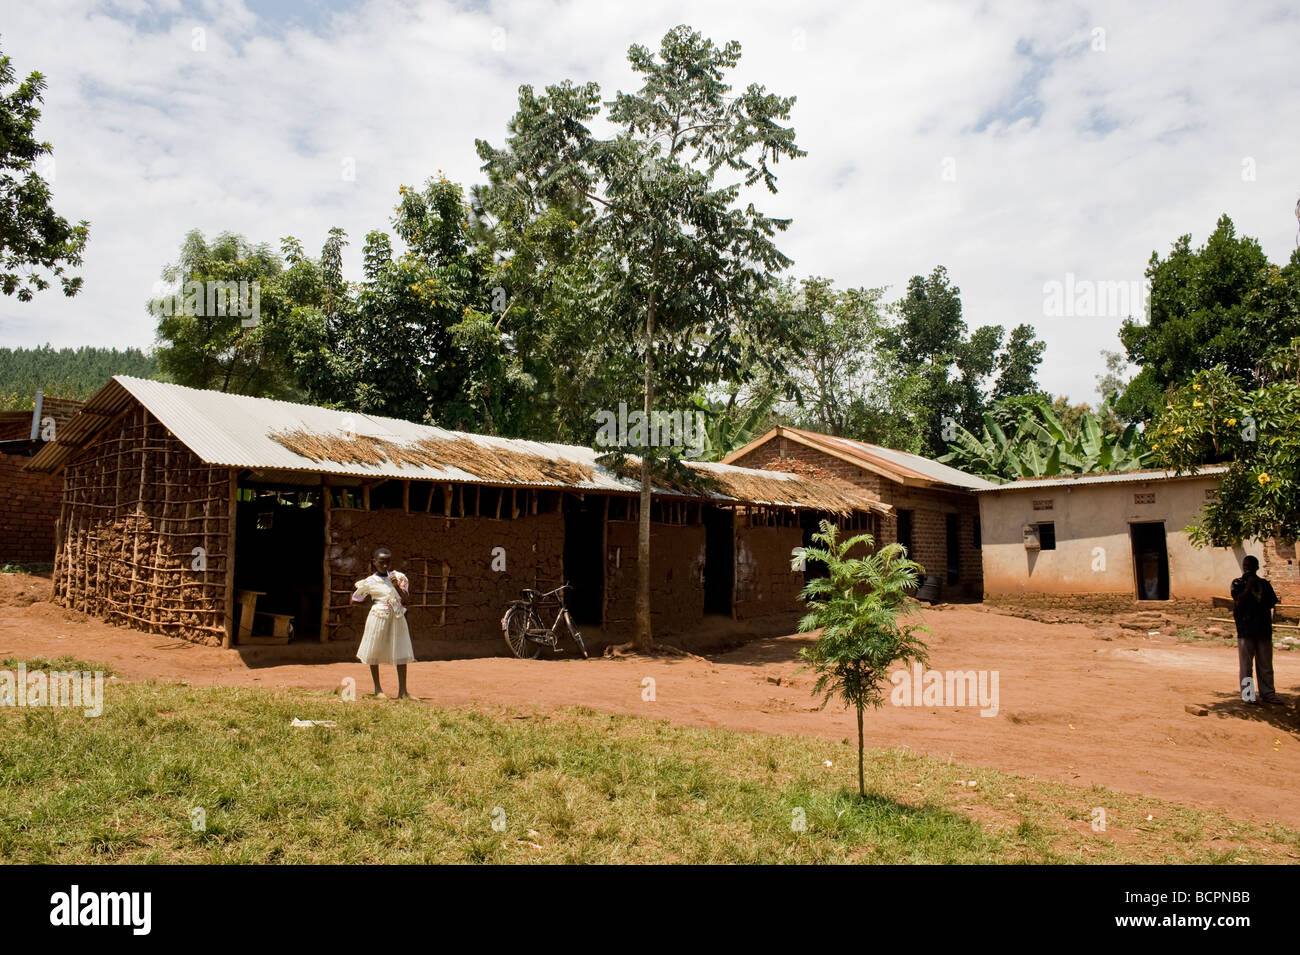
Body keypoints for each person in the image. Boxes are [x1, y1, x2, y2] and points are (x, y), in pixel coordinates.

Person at [351, 546, 415, 698]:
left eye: (388, 562)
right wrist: (375, 605)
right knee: (374, 649)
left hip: (397, 618)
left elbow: (406, 598)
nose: (385, 565)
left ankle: (403, 691)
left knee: (401, 649)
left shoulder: (399, 577)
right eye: (381, 562)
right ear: (374, 562)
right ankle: (378, 690)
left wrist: (396, 586)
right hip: (378, 617)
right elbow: (355, 600)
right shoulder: (369, 582)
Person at [1230, 555, 1282, 706]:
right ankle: (1248, 694)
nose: (1247, 568)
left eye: (1250, 565)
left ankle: (1268, 693)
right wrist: (1248, 587)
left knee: (1265, 665)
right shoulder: (1237, 583)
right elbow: (1238, 601)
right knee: (1246, 665)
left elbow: (1271, 602)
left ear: (1257, 567)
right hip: (1245, 629)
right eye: (1245, 565)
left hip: (1263, 629)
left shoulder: (1264, 584)